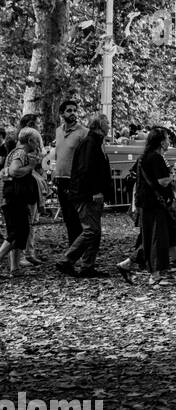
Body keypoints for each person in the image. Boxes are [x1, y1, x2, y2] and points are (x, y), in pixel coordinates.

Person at [56, 112, 113, 277]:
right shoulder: (90, 143)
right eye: (107, 123)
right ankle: (67, 260)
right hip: (86, 195)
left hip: (87, 194)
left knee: (95, 231)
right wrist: (95, 191)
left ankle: (88, 265)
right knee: (91, 231)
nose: (109, 126)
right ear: (100, 125)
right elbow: (86, 170)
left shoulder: (95, 142)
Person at [136, 127, 176, 285]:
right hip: (156, 204)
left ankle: (155, 272)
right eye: (168, 138)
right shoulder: (156, 158)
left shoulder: (144, 157)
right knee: (158, 238)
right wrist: (173, 175)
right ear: (162, 142)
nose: (169, 142)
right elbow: (162, 181)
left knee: (150, 237)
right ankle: (156, 275)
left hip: (146, 202)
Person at [0, 127, 42, 277]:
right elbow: (14, 171)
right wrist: (31, 166)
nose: (38, 144)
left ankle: (15, 268)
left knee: (18, 233)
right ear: (30, 140)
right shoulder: (20, 153)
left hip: (11, 198)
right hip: (14, 199)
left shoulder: (14, 152)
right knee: (16, 234)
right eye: (37, 140)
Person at [52, 99, 87, 246]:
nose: (73, 113)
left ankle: (78, 247)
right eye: (69, 110)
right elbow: (58, 154)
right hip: (60, 179)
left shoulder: (83, 132)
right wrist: (54, 171)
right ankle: (73, 245)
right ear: (62, 113)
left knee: (76, 216)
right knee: (67, 216)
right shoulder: (58, 131)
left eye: (74, 110)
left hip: (74, 180)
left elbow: (86, 158)